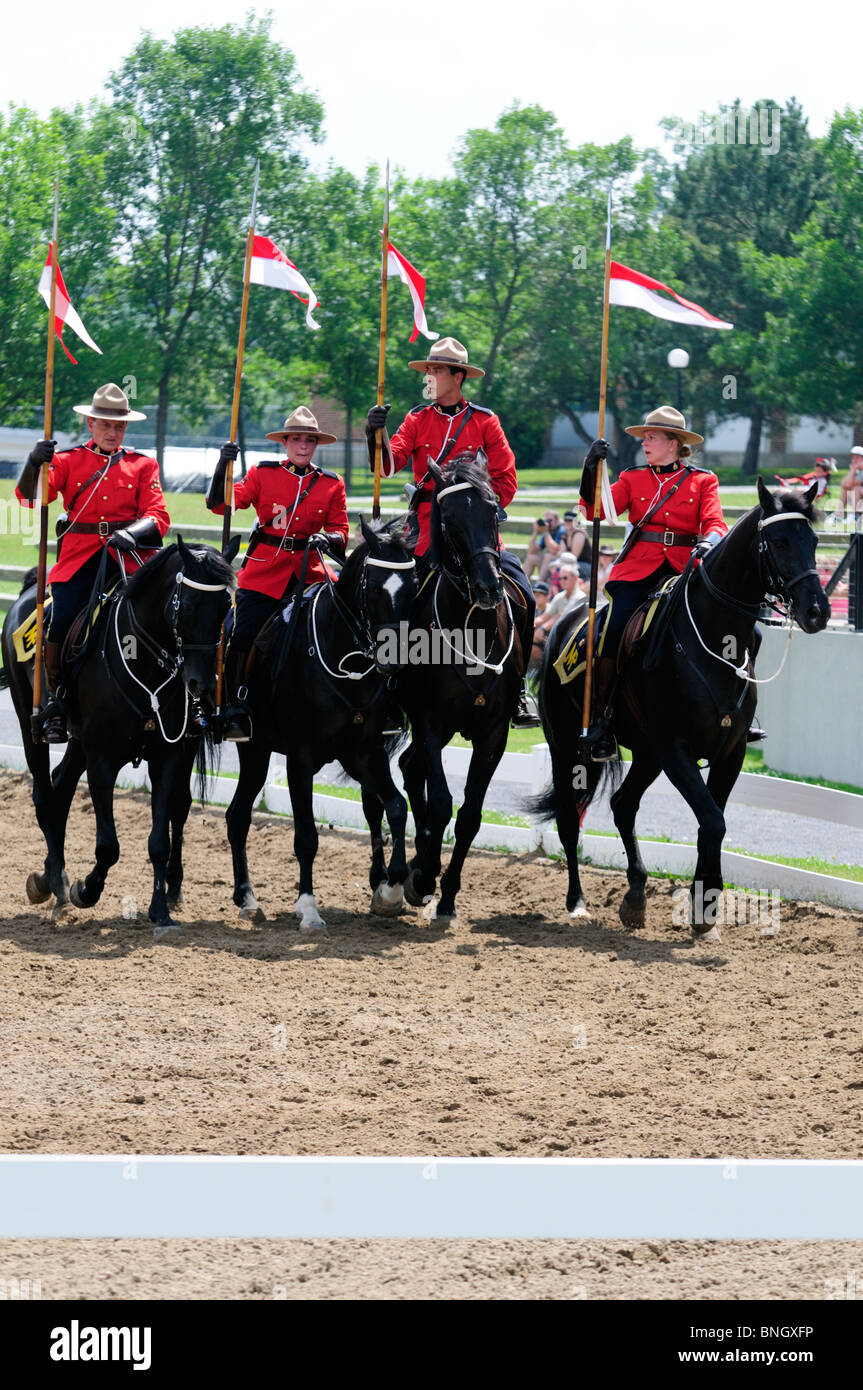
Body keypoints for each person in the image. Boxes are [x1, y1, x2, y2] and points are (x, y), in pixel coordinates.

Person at [365, 336, 539, 726]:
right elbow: (388, 466)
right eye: (428, 369)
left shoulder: (484, 421)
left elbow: (506, 482)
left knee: (523, 593)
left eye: (437, 370)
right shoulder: (416, 418)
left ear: (458, 376)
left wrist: (476, 508)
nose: (430, 375)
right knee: (396, 596)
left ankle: (519, 688)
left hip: (475, 534)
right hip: (425, 530)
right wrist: (374, 434)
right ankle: (390, 689)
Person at [16, 382, 169, 742]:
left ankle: (183, 698)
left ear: (126, 428)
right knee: (62, 615)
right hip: (80, 557)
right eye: (105, 424)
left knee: (171, 613)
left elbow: (158, 515)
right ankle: (55, 700)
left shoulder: (142, 464)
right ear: (90, 424)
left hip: (131, 557)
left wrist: (132, 534)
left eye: (119, 426)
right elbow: (31, 498)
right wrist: (33, 462)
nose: (112, 431)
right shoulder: (67, 460)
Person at [579, 405, 733, 762]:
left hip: (684, 571)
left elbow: (715, 522)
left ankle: (734, 711)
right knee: (613, 629)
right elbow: (596, 511)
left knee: (743, 632)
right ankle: (602, 720)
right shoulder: (633, 478)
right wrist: (591, 470)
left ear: (674, 443)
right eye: (644, 437)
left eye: (652, 437)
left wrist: (708, 541)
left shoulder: (702, 480)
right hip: (637, 572)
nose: (644, 442)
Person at [207, 407, 349, 740]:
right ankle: (236, 704)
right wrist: (221, 466)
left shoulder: (331, 484)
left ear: (316, 445)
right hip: (264, 572)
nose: (303, 446)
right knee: (243, 633)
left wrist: (327, 538)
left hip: (310, 572)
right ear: (285, 442)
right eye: (297, 439)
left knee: (346, 620)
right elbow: (222, 504)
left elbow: (341, 532)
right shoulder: (262, 473)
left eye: (309, 440)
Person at [525, 510, 565, 581]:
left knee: (548, 556)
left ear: (558, 520)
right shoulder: (548, 530)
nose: (547, 523)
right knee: (531, 558)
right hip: (549, 563)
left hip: (562, 563)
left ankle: (539, 586)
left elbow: (554, 550)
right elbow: (531, 551)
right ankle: (520, 586)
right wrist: (535, 531)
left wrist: (545, 532)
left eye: (550, 520)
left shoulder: (562, 529)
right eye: (546, 520)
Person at [834, 446, 863, 519]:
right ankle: (838, 515)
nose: (854, 460)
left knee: (856, 488)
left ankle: (853, 516)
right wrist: (852, 471)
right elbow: (844, 485)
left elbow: (852, 484)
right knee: (845, 490)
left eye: (857, 457)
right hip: (859, 498)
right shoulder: (857, 469)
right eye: (853, 458)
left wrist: (853, 470)